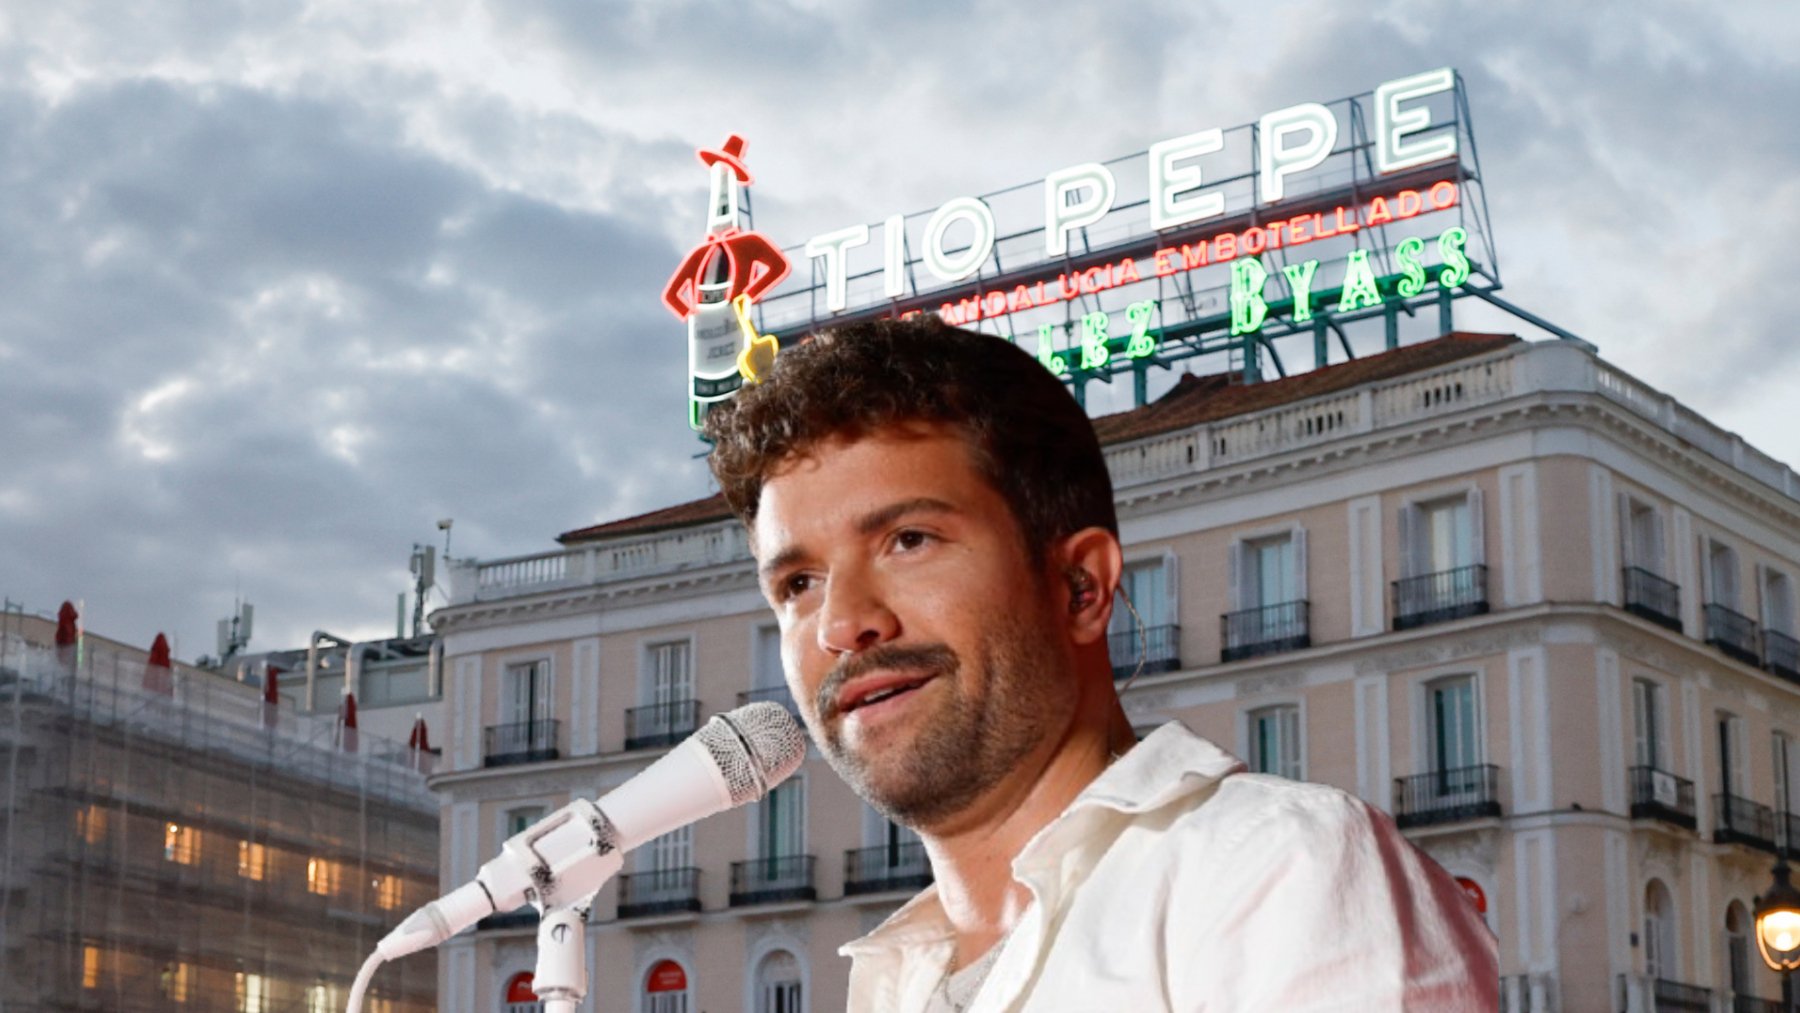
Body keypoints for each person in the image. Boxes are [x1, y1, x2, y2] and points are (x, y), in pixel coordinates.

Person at [704, 317, 1498, 1011]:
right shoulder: (901, 973)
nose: (843, 623)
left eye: (909, 539)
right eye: (798, 583)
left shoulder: (1278, 869)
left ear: (1081, 586)